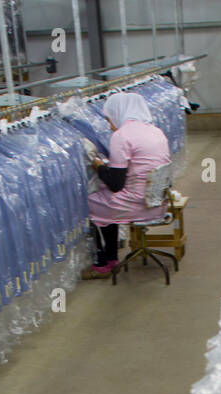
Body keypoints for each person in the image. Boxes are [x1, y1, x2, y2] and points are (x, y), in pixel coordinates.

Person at [82, 92, 172, 279]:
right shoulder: (156, 131)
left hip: (138, 205)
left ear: (118, 112)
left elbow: (116, 184)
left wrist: (97, 165)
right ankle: (112, 257)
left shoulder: (121, 136)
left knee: (92, 203)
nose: (109, 124)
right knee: (105, 197)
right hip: (159, 201)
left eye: (109, 118)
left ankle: (103, 264)